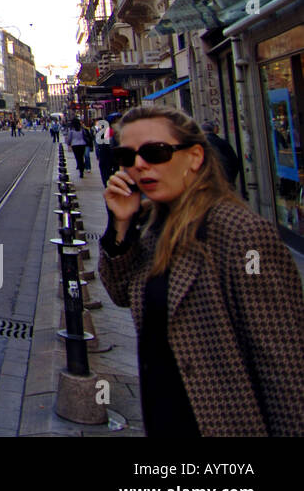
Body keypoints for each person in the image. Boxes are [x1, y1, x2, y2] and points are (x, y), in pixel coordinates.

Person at [99, 104, 304, 435]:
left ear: (195, 156)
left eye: (155, 152)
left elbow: (286, 369)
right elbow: (120, 292)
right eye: (127, 156)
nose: (139, 164)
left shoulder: (241, 233)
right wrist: (120, 226)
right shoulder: (154, 222)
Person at [200, 119, 243, 189]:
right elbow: (235, 162)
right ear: (214, 129)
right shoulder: (222, 142)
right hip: (225, 182)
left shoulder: (199, 145)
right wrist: (230, 180)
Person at [94, 117, 117, 187]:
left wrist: (98, 154)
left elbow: (97, 145)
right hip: (112, 153)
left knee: (105, 169)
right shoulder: (116, 132)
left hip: (105, 153)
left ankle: (106, 183)